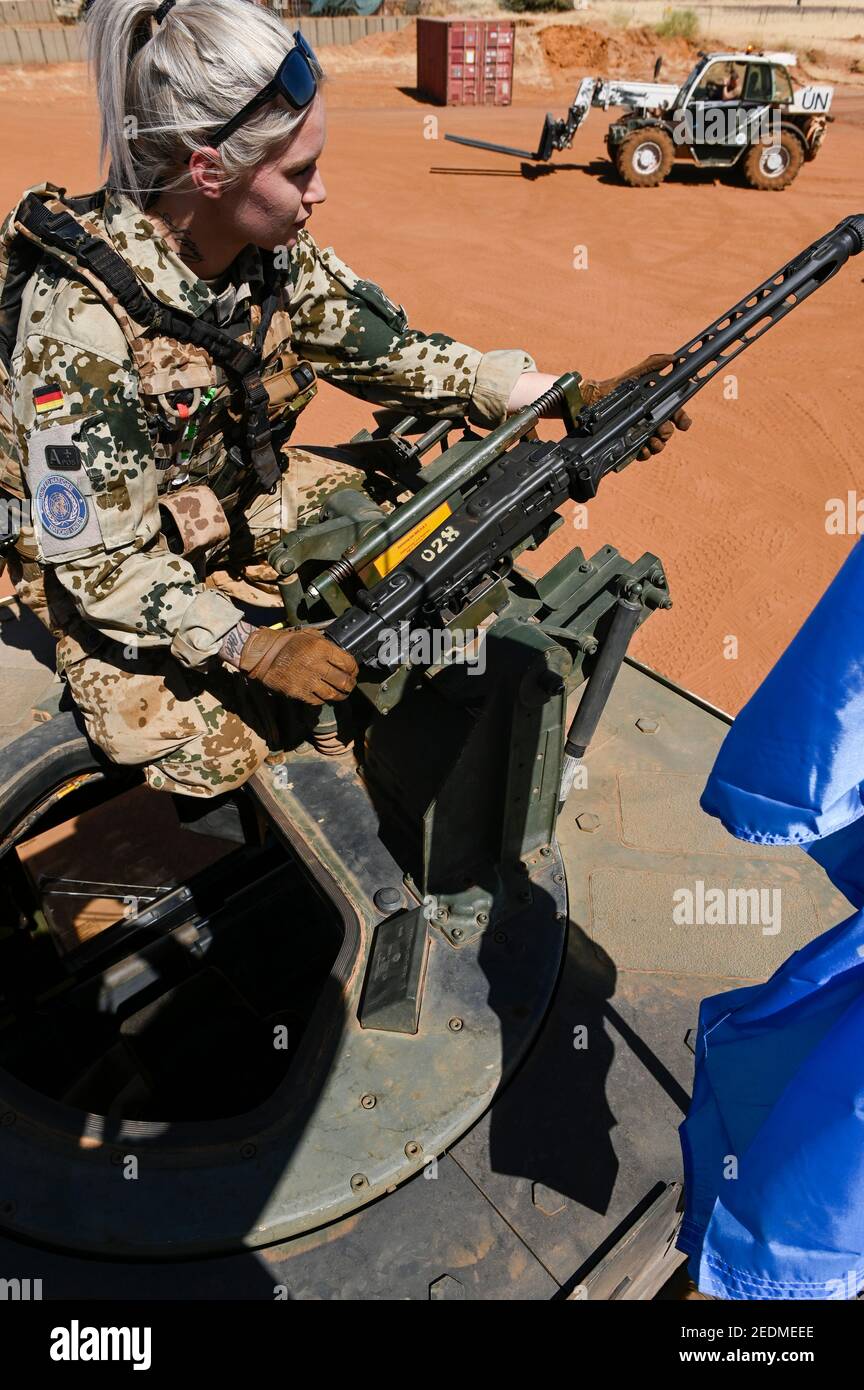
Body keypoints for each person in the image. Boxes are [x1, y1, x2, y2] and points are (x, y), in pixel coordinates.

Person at [3, 0, 690, 800]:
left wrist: (565, 397)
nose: (320, 192)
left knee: (416, 517)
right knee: (211, 749)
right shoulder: (78, 325)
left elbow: (400, 355)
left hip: (229, 508)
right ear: (208, 171)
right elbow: (96, 558)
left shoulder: (271, 258)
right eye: (298, 173)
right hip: (112, 564)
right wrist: (250, 648)